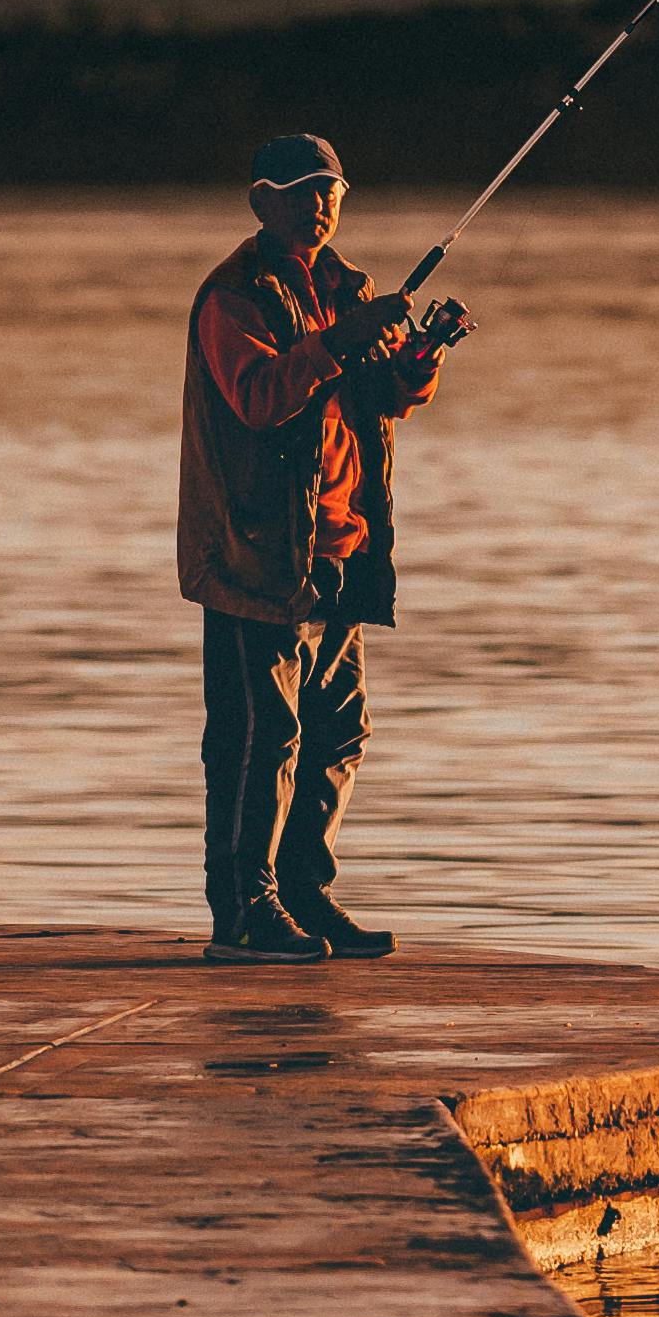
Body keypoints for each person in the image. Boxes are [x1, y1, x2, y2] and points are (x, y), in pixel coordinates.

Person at [179, 132, 452, 963]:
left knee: (338, 733)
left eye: (329, 190)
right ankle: (243, 911)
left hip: (341, 549)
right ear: (260, 202)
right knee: (263, 737)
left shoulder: (345, 288)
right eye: (298, 191)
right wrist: (339, 341)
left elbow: (376, 399)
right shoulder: (232, 298)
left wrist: (418, 358)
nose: (318, 205)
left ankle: (303, 892)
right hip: (255, 557)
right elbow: (260, 399)